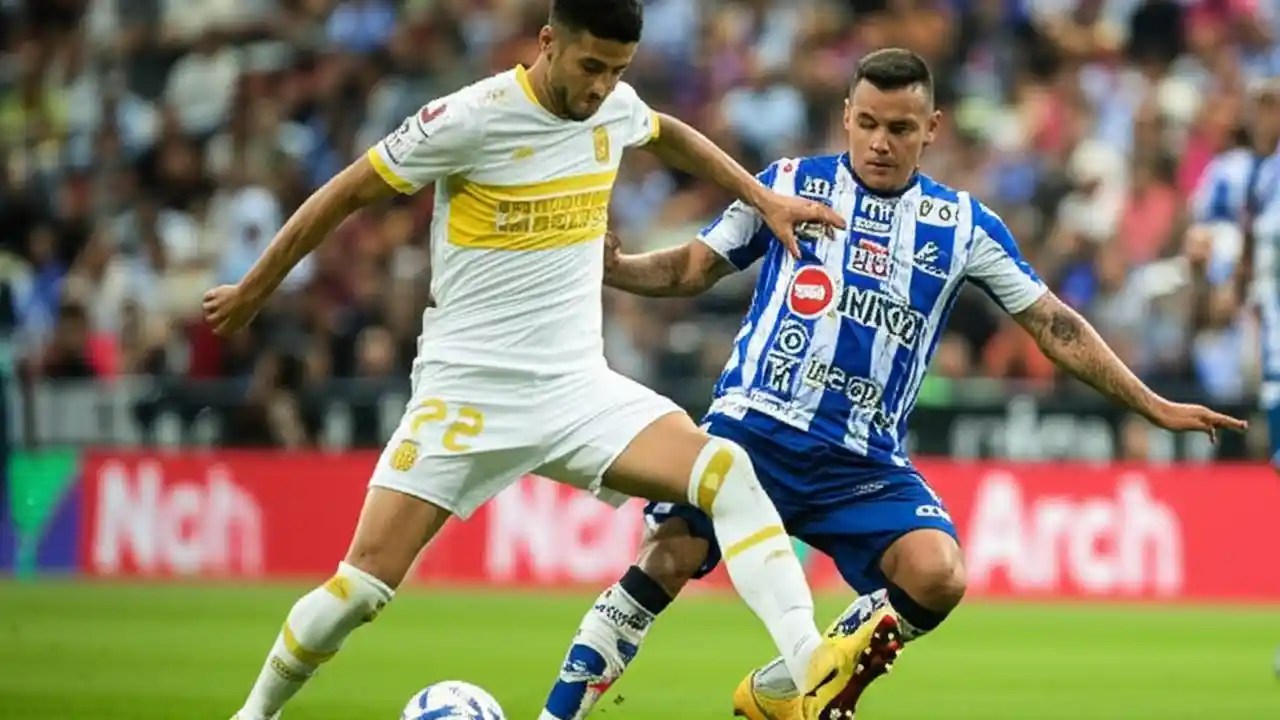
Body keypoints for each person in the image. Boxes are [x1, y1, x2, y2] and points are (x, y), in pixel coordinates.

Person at [201, 2, 878, 719]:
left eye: (616, 71)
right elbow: (343, 195)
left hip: (576, 386)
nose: (600, 88)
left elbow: (667, 134)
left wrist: (760, 197)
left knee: (723, 471)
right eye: (590, 67)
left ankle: (810, 666)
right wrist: (253, 291)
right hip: (467, 393)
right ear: (548, 43)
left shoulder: (613, 106)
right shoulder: (467, 118)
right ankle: (255, 714)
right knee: (360, 591)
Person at [538, 48, 1249, 720]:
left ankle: (788, 687)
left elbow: (1053, 323)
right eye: (869, 123)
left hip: (861, 462)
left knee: (939, 575)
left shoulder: (963, 225)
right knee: (666, 557)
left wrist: (1151, 402)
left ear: (932, 129)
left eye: (901, 128)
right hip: (752, 429)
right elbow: (694, 269)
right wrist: (620, 267)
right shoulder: (788, 183)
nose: (881, 141)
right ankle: (556, 712)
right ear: (847, 114)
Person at [1187, 78, 1280, 467]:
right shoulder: (1259, 172)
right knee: (1272, 384)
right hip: (1268, 299)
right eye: (1258, 107)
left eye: (1271, 106)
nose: (1262, 117)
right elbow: (1251, 233)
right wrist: (1239, 287)